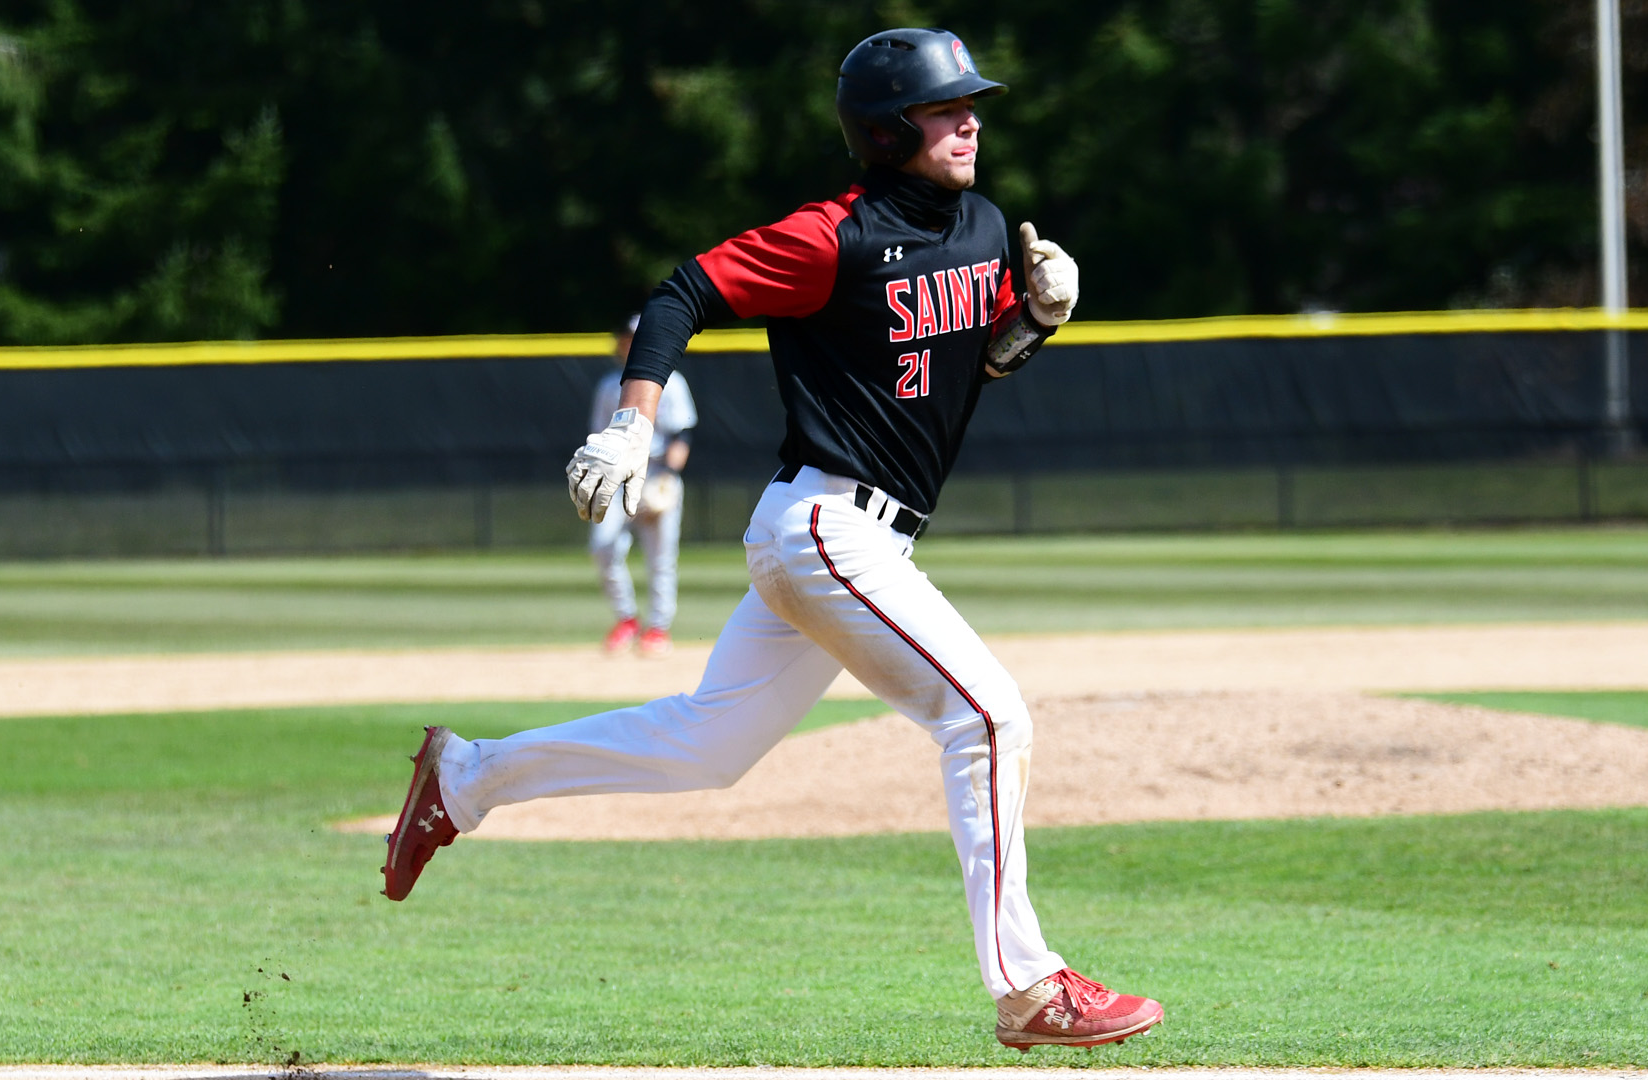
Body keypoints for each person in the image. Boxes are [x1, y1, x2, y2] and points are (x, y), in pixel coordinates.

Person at [382, 28, 1162, 1052]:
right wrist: (629, 423)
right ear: (886, 131)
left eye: (973, 103)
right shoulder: (828, 237)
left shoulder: (980, 225)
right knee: (988, 721)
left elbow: (944, 375)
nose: (971, 119)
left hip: (842, 536)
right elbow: (681, 295)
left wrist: (1029, 327)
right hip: (830, 527)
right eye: (946, 107)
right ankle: (1028, 987)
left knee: (707, 746)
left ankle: (465, 779)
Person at [588, 313, 697, 657]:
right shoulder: (610, 386)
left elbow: (683, 433)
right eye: (626, 336)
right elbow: (600, 435)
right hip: (618, 476)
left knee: (661, 556)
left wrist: (668, 478)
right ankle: (627, 619)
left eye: (636, 337)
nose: (629, 342)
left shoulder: (673, 382)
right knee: (603, 546)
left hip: (658, 472)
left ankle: (659, 628)